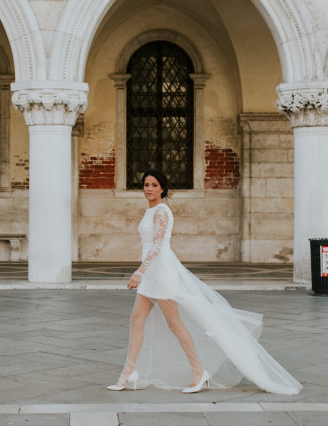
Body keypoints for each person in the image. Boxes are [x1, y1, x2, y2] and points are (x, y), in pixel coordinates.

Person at [107, 168, 302, 394]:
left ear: (162, 189)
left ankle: (198, 372)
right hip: (151, 272)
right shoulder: (150, 210)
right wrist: (144, 272)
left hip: (161, 272)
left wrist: (140, 272)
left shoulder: (161, 211)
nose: (149, 189)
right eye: (146, 185)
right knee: (136, 320)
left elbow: (158, 245)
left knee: (175, 324)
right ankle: (128, 372)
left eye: (154, 185)